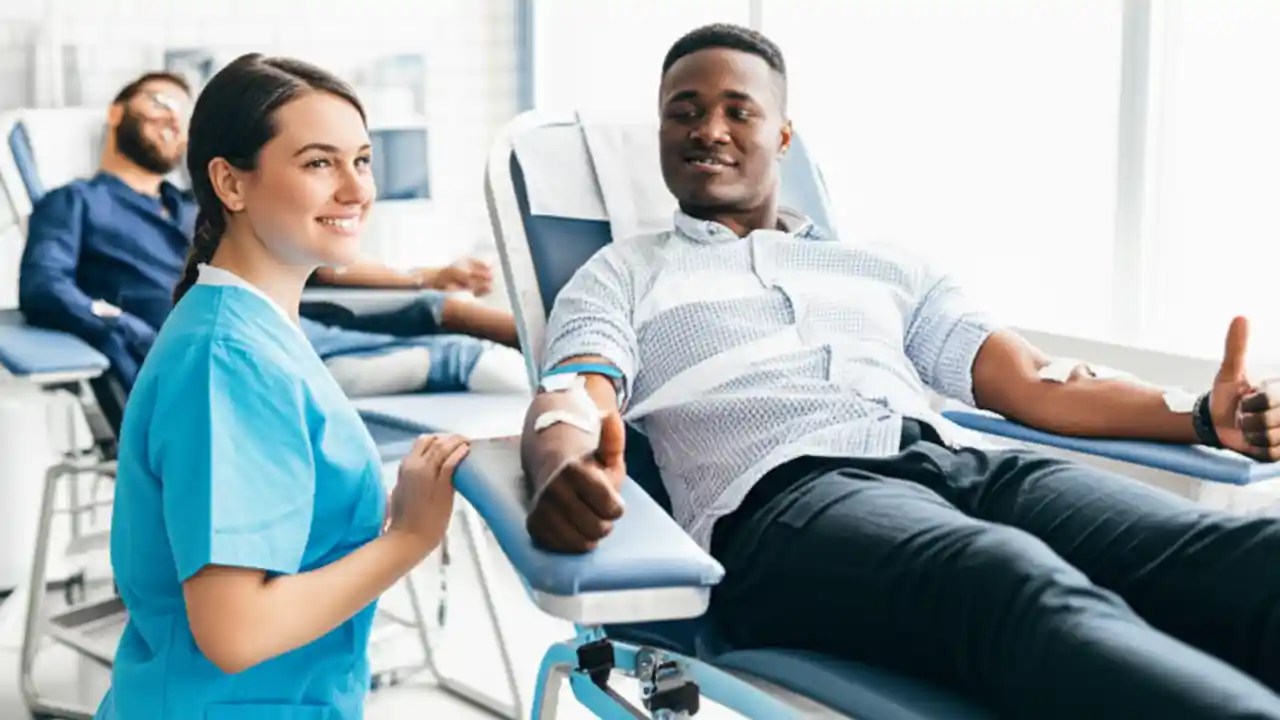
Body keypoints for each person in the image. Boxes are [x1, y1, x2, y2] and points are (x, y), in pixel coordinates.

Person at [520, 23, 1280, 719]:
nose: (708, 130)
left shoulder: (883, 267)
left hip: (955, 466)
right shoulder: (620, 272)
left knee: (1236, 554)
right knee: (1008, 582)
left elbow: (1030, 381)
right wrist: (563, 471)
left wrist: (1200, 417)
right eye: (683, 111)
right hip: (784, 510)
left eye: (737, 110)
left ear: (783, 136)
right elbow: (571, 400)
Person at [93, 54, 466, 720]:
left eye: (362, 160)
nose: (355, 190)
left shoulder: (254, 329)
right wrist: (407, 539)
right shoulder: (229, 358)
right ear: (230, 185)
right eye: (320, 163)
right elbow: (235, 632)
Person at [18, 70, 521, 403]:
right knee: (461, 357)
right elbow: (44, 286)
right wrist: (124, 326)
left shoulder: (191, 208)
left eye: (183, 112)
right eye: (159, 101)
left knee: (444, 309)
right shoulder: (75, 202)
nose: (174, 116)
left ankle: (564, 345)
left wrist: (429, 276)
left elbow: (309, 255)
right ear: (116, 113)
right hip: (231, 368)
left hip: (283, 329)